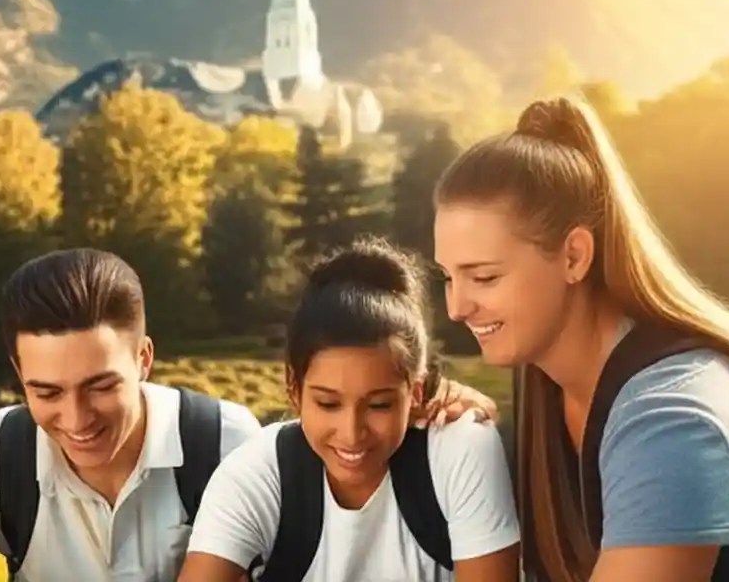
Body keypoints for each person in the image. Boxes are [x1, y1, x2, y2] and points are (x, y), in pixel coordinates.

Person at [0, 247, 501, 582]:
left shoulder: (227, 444)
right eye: (47, 392)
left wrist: (439, 404)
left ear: (145, 359)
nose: (77, 417)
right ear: (18, 377)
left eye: (101, 385)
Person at [433, 97, 729, 582]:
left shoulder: (671, 422)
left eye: (484, 278)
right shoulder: (543, 382)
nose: (456, 308)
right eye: (448, 277)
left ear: (574, 256)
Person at [179, 238, 519, 582]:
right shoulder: (256, 475)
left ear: (415, 392)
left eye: (379, 405)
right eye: (328, 404)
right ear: (294, 390)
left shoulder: (458, 449)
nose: (352, 432)